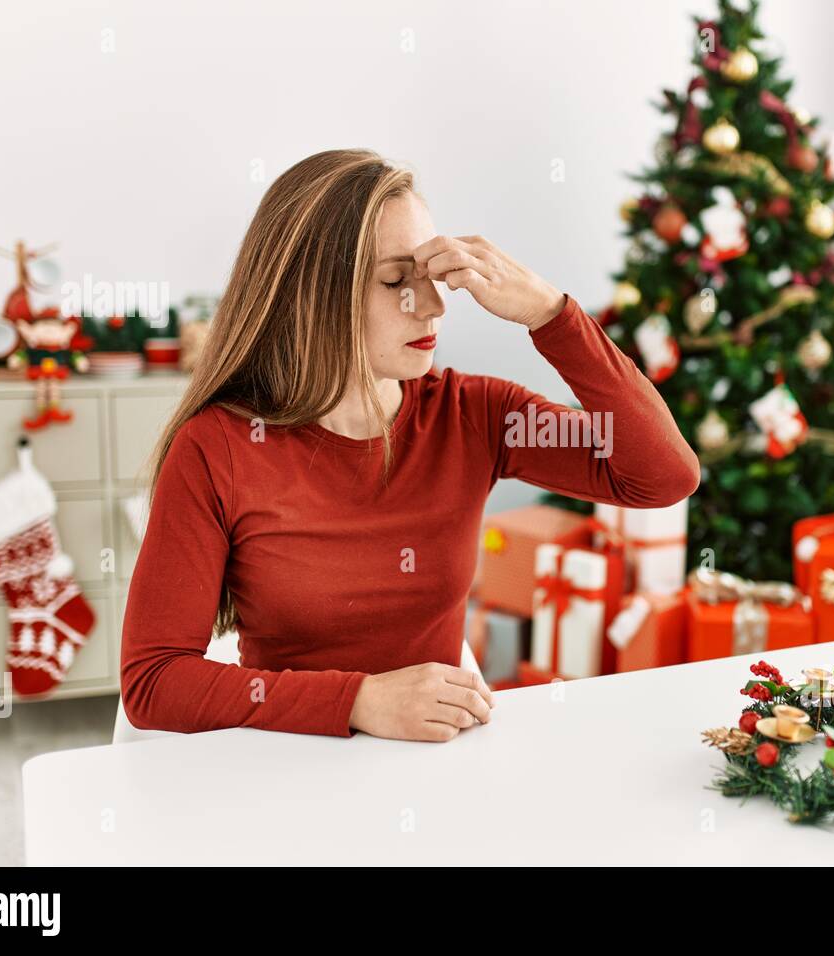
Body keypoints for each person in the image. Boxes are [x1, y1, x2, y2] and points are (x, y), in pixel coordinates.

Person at [120, 149, 699, 742]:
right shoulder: (218, 447)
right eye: (397, 281)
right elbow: (154, 681)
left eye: (433, 279)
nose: (435, 306)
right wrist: (359, 701)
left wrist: (551, 315)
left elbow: (663, 475)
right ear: (312, 295)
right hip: (285, 768)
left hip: (434, 766)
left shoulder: (473, 415)